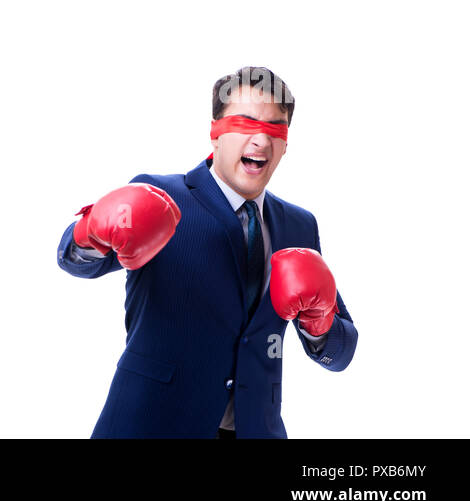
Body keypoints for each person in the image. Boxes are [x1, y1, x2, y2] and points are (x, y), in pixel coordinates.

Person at [57, 66, 358, 439]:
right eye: (245, 124)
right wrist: (89, 232)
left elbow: (340, 353)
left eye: (274, 128)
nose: (260, 140)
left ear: (286, 143)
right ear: (215, 132)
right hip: (151, 426)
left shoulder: (300, 226)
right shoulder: (159, 195)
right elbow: (74, 259)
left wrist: (320, 326)